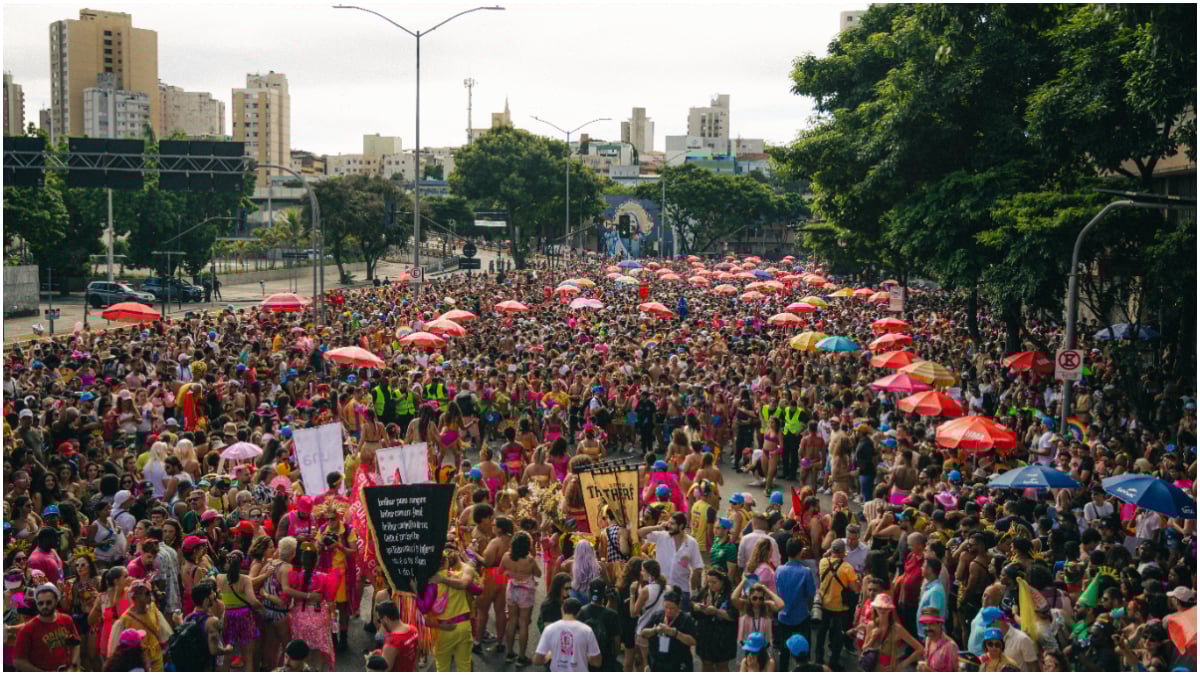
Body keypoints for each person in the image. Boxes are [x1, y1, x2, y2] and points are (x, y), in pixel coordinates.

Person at [638, 512, 705, 612]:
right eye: (669, 523)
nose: (669, 526)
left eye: (672, 524)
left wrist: (694, 589)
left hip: (682, 590)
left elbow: (698, 568)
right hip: (660, 588)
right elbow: (640, 533)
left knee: (681, 622)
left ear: (681, 526)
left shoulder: (691, 543)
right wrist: (657, 527)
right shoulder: (662, 536)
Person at [107, 579, 175, 672]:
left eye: (150, 593)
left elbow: (163, 633)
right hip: (140, 663)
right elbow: (117, 650)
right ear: (136, 596)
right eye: (146, 593)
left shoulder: (153, 608)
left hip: (157, 658)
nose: (150, 596)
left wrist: (165, 652)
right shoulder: (124, 620)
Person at [13, 583, 80, 672]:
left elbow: (76, 644)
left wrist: (73, 665)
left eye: (48, 602)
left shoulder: (66, 620)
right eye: (40, 603)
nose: (44, 606)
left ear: (56, 601)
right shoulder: (27, 629)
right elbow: (18, 661)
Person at [775, 538, 816, 672]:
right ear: (800, 552)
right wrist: (808, 610)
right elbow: (810, 595)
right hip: (801, 616)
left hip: (783, 616)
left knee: (784, 650)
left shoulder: (779, 570)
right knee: (804, 650)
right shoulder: (806, 571)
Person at [815, 538, 858, 668]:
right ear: (843, 552)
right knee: (838, 635)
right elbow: (855, 589)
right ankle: (834, 662)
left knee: (821, 633)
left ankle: (818, 659)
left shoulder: (822, 562)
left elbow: (825, 556)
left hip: (823, 605)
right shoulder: (847, 568)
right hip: (840, 607)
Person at [534, 597, 602, 672]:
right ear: (579, 612)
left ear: (562, 609)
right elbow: (597, 662)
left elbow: (537, 660)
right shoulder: (587, 630)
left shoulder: (549, 629)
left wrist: (549, 655)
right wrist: (583, 655)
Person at [639, 589, 698, 672]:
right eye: (666, 607)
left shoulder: (686, 619)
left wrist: (676, 634)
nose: (668, 611)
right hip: (657, 662)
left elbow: (693, 641)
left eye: (672, 608)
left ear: (678, 606)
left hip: (678, 663)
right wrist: (655, 630)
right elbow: (643, 633)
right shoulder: (658, 615)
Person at [577, 578, 621, 672]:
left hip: (587, 659)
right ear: (605, 594)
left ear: (589, 592)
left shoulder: (581, 611)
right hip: (606, 660)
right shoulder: (612, 615)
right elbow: (617, 642)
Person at [375, 600, 419, 672]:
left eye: (380, 620)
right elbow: (415, 658)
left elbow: (384, 670)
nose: (380, 624)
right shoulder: (414, 630)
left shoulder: (392, 641)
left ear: (386, 619)